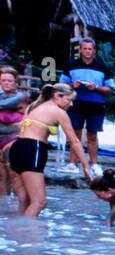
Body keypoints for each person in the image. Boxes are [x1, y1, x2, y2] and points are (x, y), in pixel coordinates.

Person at [5, 83, 92, 216]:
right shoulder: (58, 112)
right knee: (39, 202)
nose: (71, 104)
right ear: (57, 96)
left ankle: (16, 233)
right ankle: (27, 233)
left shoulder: (33, 106)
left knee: (24, 199)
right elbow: (74, 142)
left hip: (17, 148)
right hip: (33, 149)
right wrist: (86, 166)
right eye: (69, 100)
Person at [59, 38, 114, 173]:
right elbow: (61, 85)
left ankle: (94, 164)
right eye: (85, 48)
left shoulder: (103, 67)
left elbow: (110, 89)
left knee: (92, 135)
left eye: (90, 49)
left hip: (96, 105)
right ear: (80, 50)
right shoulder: (71, 65)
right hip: (75, 104)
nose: (88, 51)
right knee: (74, 134)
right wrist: (73, 85)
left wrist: (96, 87)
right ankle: (72, 163)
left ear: (94, 50)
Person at [0, 65, 28, 199]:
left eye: (9, 80)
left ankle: (19, 206)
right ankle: (4, 208)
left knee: (13, 173)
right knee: (1, 176)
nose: (6, 83)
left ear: (16, 83)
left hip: (13, 137)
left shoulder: (22, 98)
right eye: (3, 80)